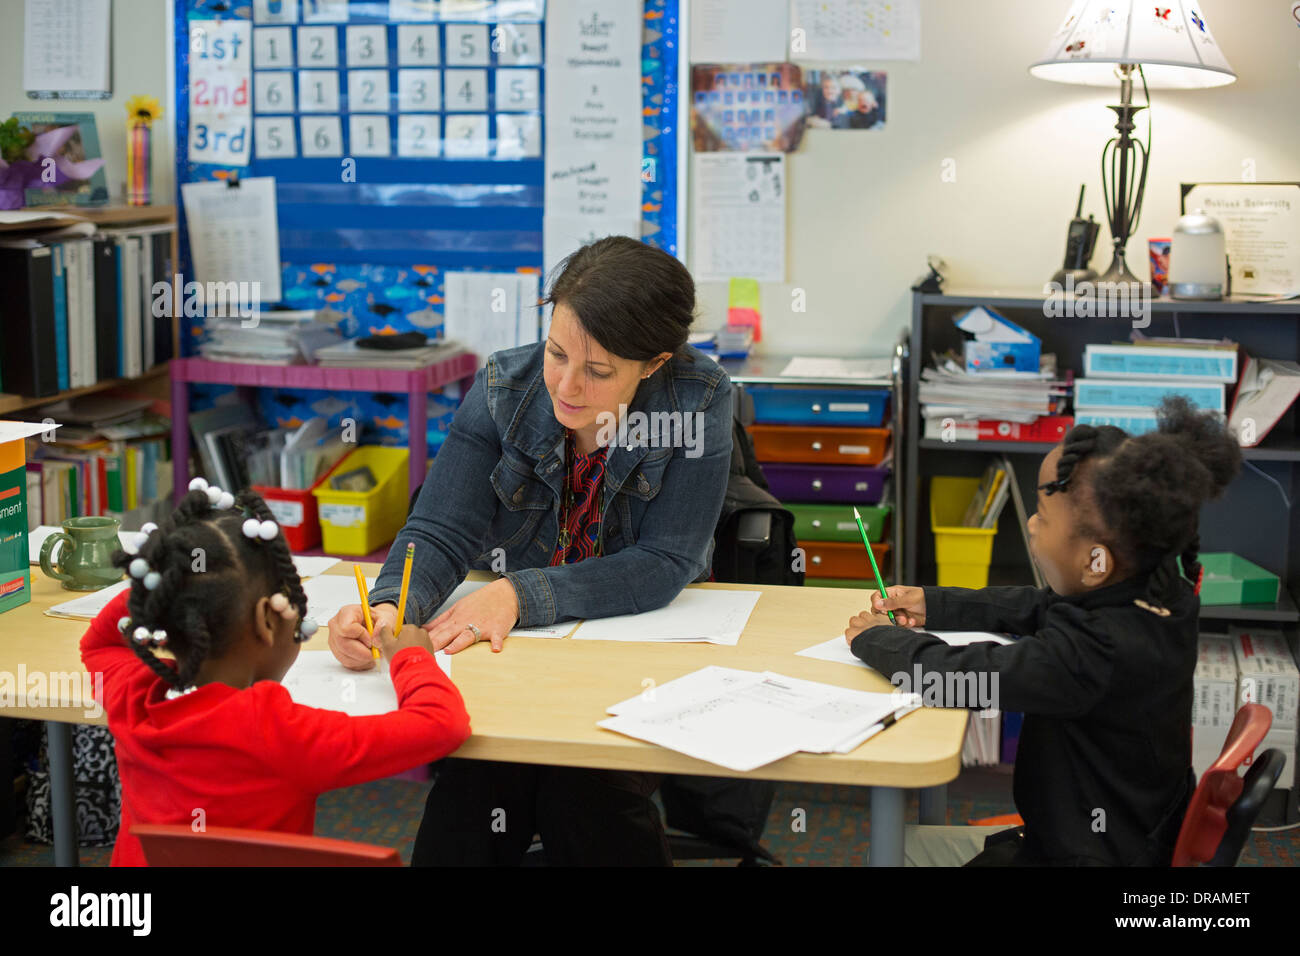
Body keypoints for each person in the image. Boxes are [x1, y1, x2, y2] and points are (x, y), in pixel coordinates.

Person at [326, 235, 734, 866]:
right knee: (474, 792)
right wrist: (390, 606)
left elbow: (668, 560)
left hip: (637, 649)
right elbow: (438, 529)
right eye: (556, 352)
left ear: (652, 363)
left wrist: (521, 592)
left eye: (598, 372)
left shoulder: (698, 397)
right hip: (516, 654)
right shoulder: (503, 388)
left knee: (587, 792)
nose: (566, 386)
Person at [844, 397, 1241, 866]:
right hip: (1122, 836)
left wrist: (874, 638)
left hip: (1083, 856)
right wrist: (937, 603)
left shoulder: (1094, 652)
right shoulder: (1157, 589)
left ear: (1096, 562)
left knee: (889, 851)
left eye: (1044, 516)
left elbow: (961, 677)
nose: (1031, 524)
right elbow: (1039, 606)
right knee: (898, 846)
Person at [81, 483, 471, 866]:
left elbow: (99, 644)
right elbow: (443, 724)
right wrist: (413, 657)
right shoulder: (280, 733)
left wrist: (162, 575)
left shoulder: (134, 695)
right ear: (267, 620)